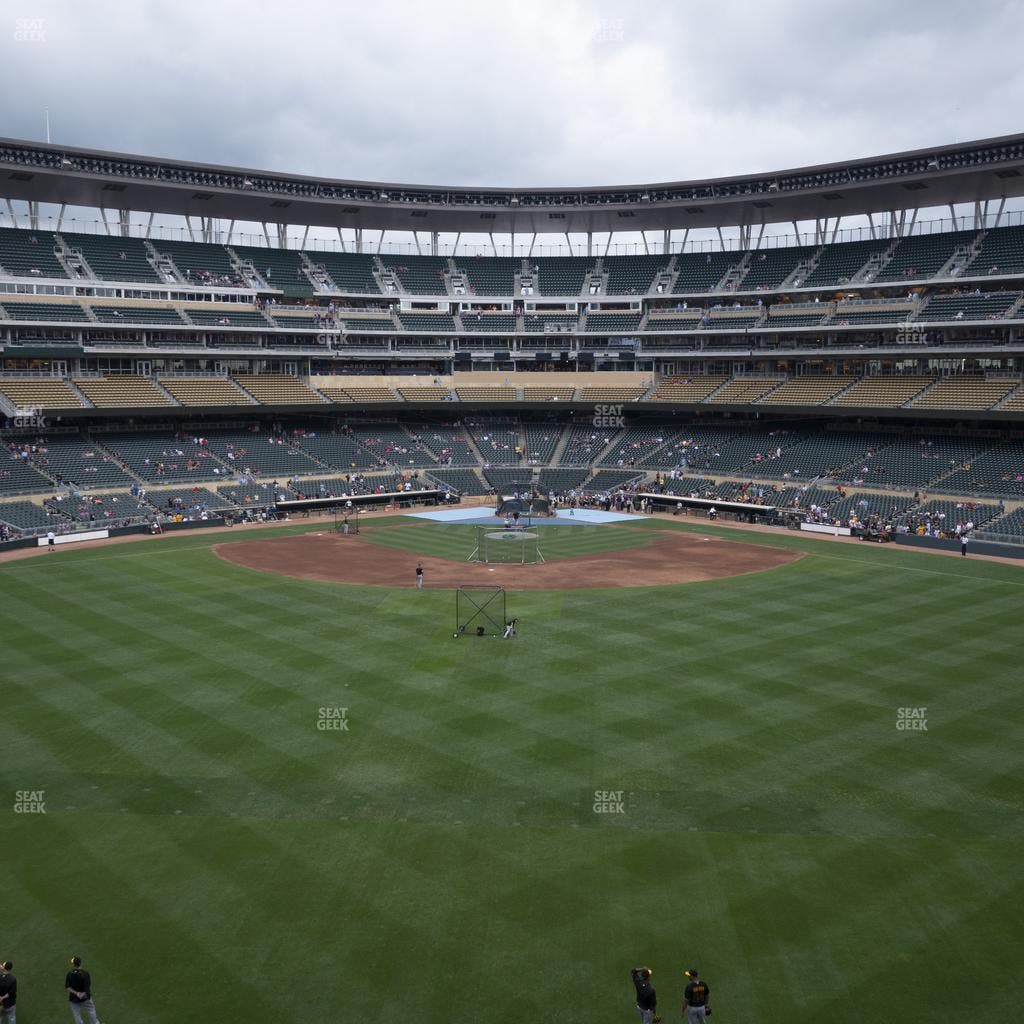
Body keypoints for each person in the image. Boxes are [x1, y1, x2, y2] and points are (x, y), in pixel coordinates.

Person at [65, 957, 100, 1024]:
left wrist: (76, 993)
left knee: (76, 1015)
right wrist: (82, 994)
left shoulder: (69, 974)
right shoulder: (85, 974)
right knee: (91, 1010)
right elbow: (87, 987)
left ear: (74, 964)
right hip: (85, 998)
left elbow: (67, 987)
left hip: (73, 999)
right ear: (80, 963)